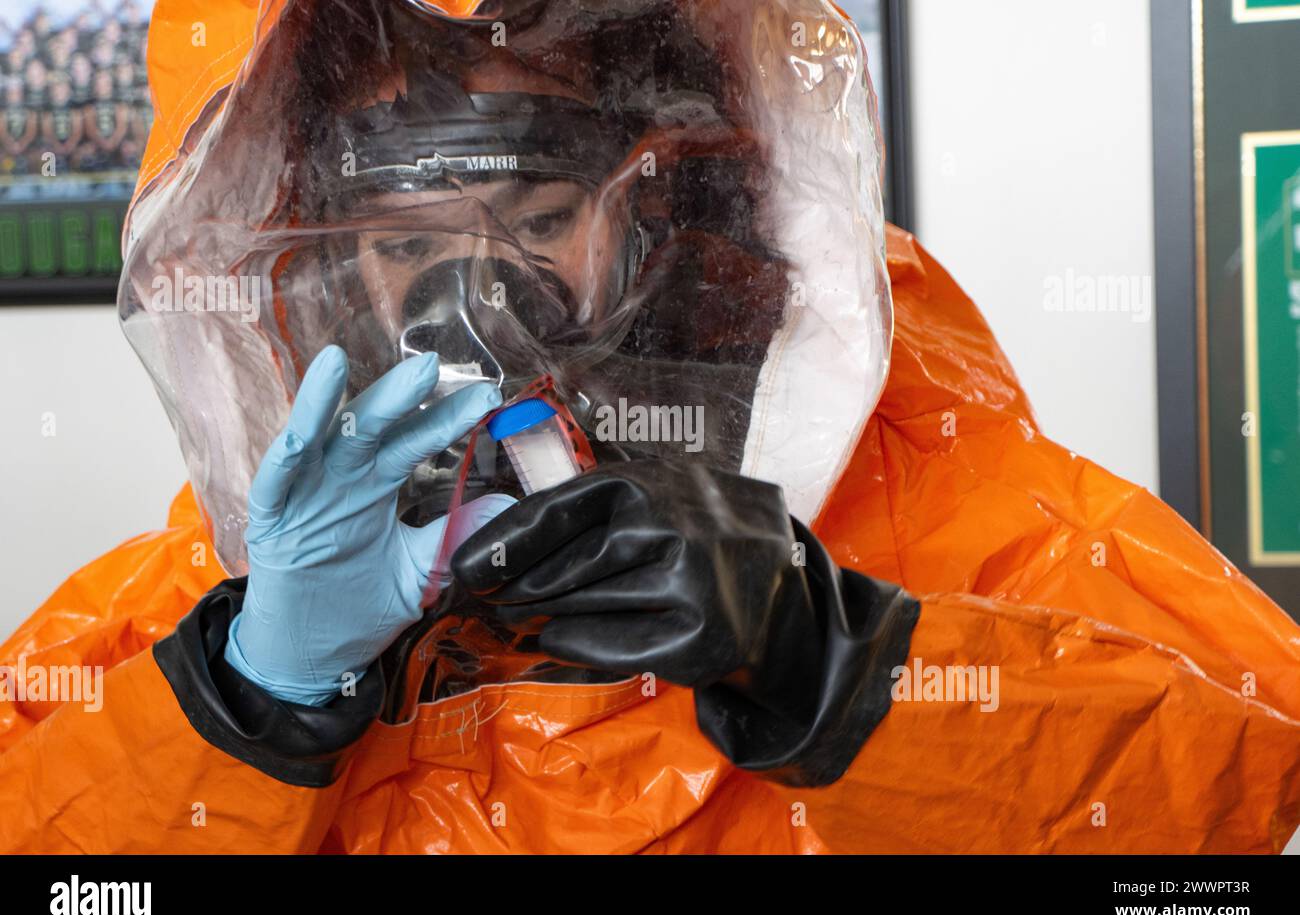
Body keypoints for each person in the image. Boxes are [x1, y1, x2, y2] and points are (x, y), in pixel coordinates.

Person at [1, 0, 1298, 855]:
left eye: (540, 214)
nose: (478, 295)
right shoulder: (242, 577)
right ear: (316, 262)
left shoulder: (898, 487)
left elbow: (1244, 782)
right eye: (406, 241)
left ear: (663, 199)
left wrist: (825, 663)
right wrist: (244, 698)